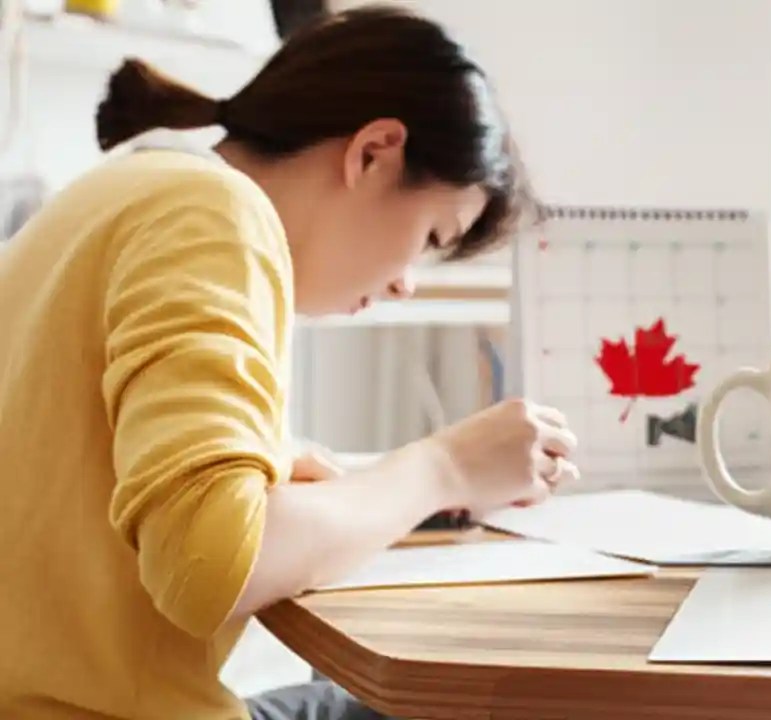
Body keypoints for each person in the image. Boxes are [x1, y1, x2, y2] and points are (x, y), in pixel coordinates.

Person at [0, 6, 578, 719]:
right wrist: (441, 467)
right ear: (373, 152)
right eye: (431, 233)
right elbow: (209, 566)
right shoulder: (214, 213)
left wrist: (290, 473)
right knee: (485, 701)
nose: (406, 283)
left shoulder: (125, 188)